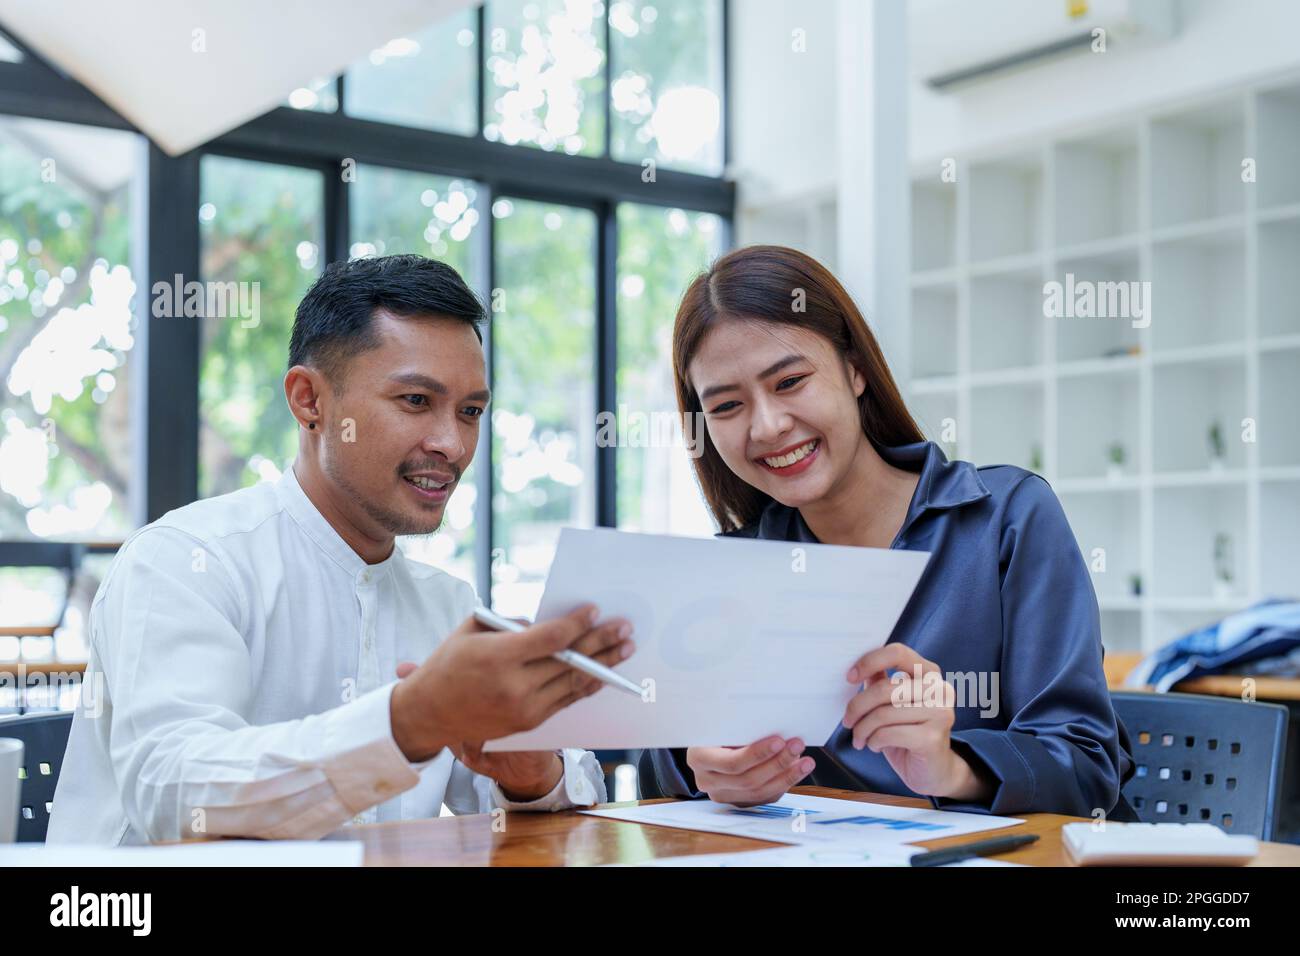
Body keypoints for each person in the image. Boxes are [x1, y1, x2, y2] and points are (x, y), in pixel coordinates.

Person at [49, 254, 634, 844]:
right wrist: (407, 721)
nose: (452, 445)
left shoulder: (449, 605)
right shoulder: (185, 561)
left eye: (471, 412)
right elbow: (176, 794)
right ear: (309, 401)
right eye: (414, 401)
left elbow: (570, 785)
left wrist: (531, 773)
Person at [646, 244, 1136, 819]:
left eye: (790, 381)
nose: (769, 426)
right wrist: (705, 768)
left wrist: (953, 766)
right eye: (727, 406)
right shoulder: (733, 568)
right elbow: (661, 782)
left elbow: (1086, 768)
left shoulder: (1006, 518)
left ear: (854, 370)